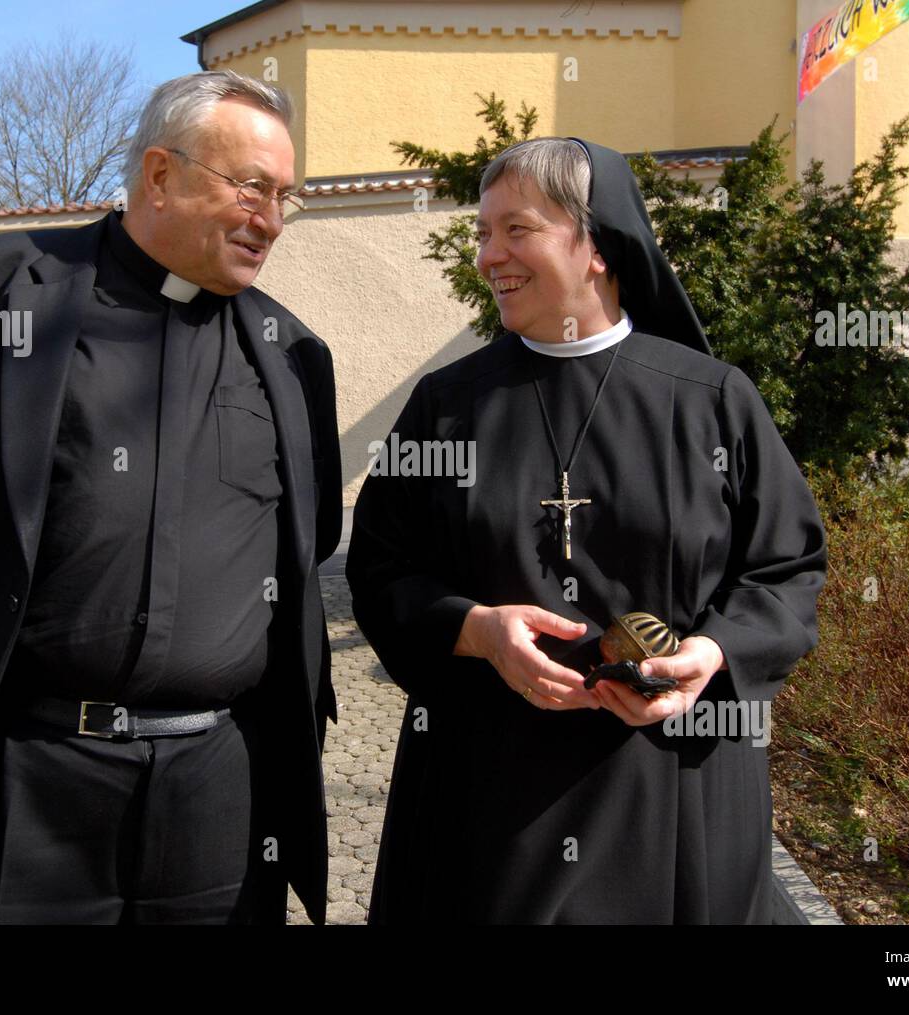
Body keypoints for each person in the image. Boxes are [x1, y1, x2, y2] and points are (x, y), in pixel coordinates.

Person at [0, 71, 341, 924]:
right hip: (15, 782)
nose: (272, 219)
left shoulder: (294, 356)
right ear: (160, 175)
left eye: (287, 196)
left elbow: (306, 539)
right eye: (251, 187)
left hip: (219, 796)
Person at [347, 137, 828, 924]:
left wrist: (711, 653)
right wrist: (475, 630)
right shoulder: (447, 407)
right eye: (482, 232)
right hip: (490, 795)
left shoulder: (710, 400)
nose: (487, 256)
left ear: (596, 243)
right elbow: (380, 566)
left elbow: (786, 568)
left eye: (516, 231)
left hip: (676, 783)